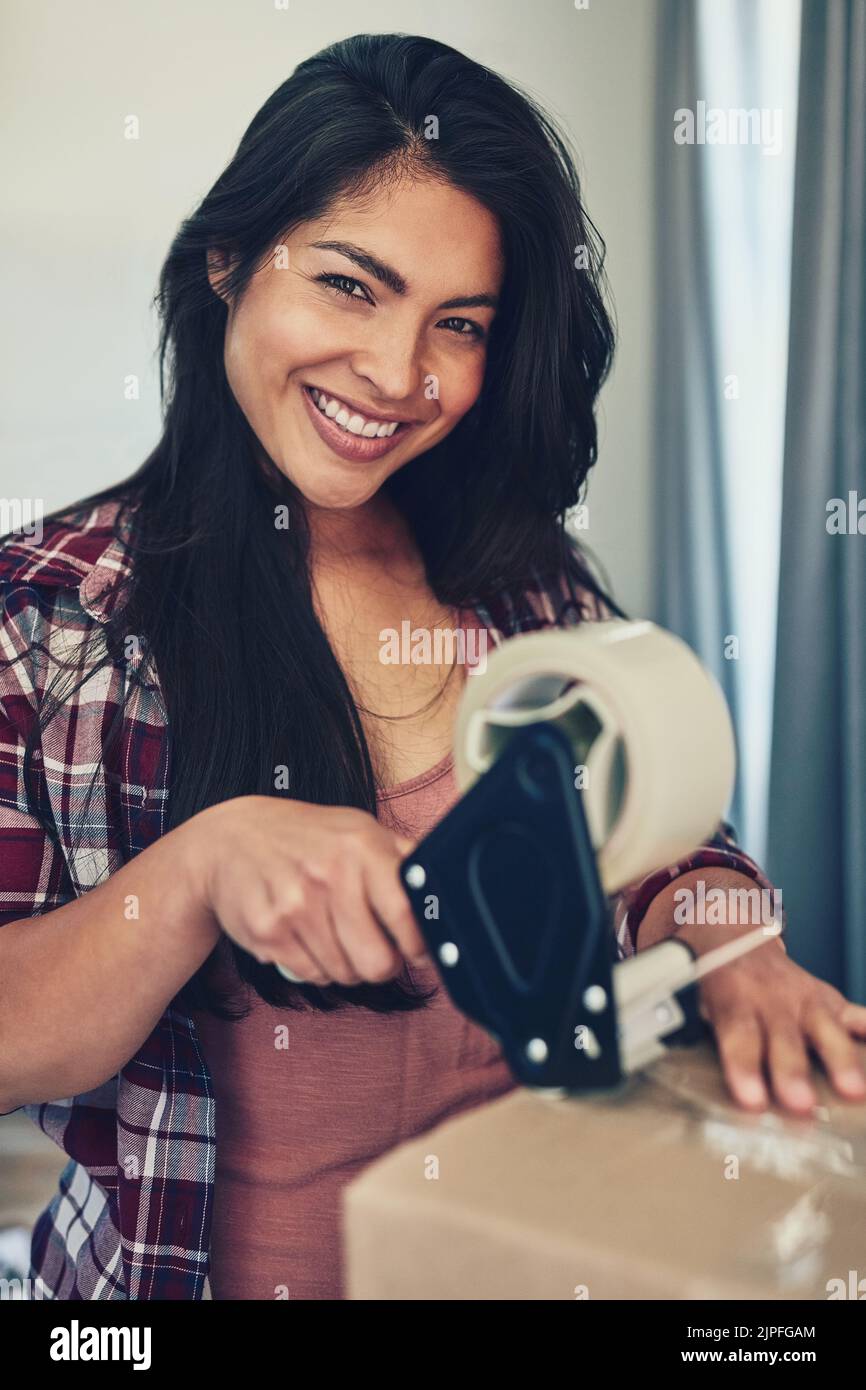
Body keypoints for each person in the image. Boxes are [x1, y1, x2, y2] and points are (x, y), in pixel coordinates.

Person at [1, 32, 864, 1302]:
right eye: (351, 286)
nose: (399, 376)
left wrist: (732, 942)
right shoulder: (48, 617)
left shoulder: (517, 579)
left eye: (455, 324)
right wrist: (198, 869)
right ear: (225, 262)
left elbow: (659, 834)